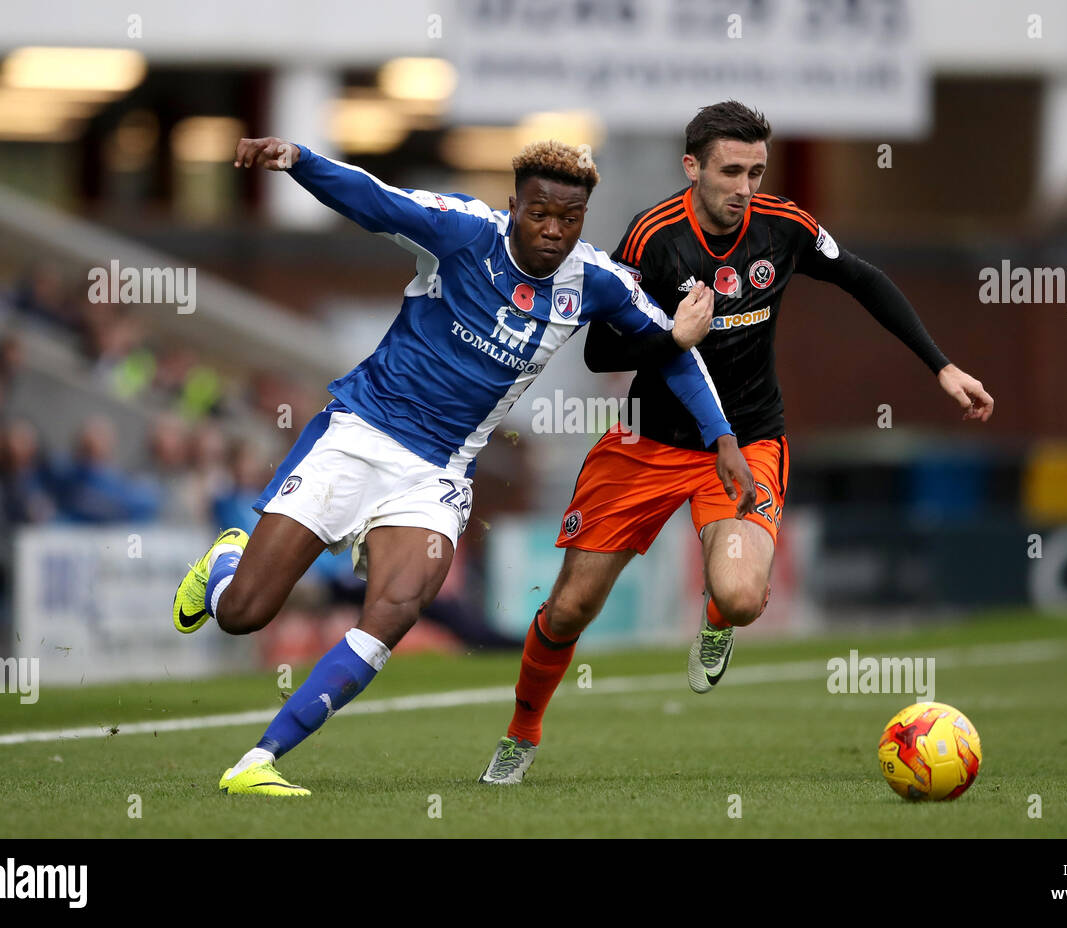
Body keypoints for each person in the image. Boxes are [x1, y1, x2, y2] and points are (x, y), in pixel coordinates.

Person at [172, 135, 757, 796]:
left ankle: (260, 759)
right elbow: (373, 200)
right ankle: (225, 564)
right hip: (360, 434)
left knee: (396, 607)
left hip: (438, 473)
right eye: (540, 214)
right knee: (245, 611)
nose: (553, 232)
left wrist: (722, 436)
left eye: (569, 220)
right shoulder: (461, 231)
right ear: (514, 205)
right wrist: (299, 160)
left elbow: (671, 350)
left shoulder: (593, 280)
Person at [479, 101, 994, 785]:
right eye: (730, 170)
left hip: (747, 442)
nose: (744, 186)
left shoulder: (784, 228)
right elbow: (602, 348)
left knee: (744, 595)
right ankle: (521, 734)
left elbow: (863, 280)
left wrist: (942, 365)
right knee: (571, 606)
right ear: (692, 167)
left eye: (755, 170)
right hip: (648, 444)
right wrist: (672, 339)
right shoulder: (654, 239)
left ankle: (718, 619)